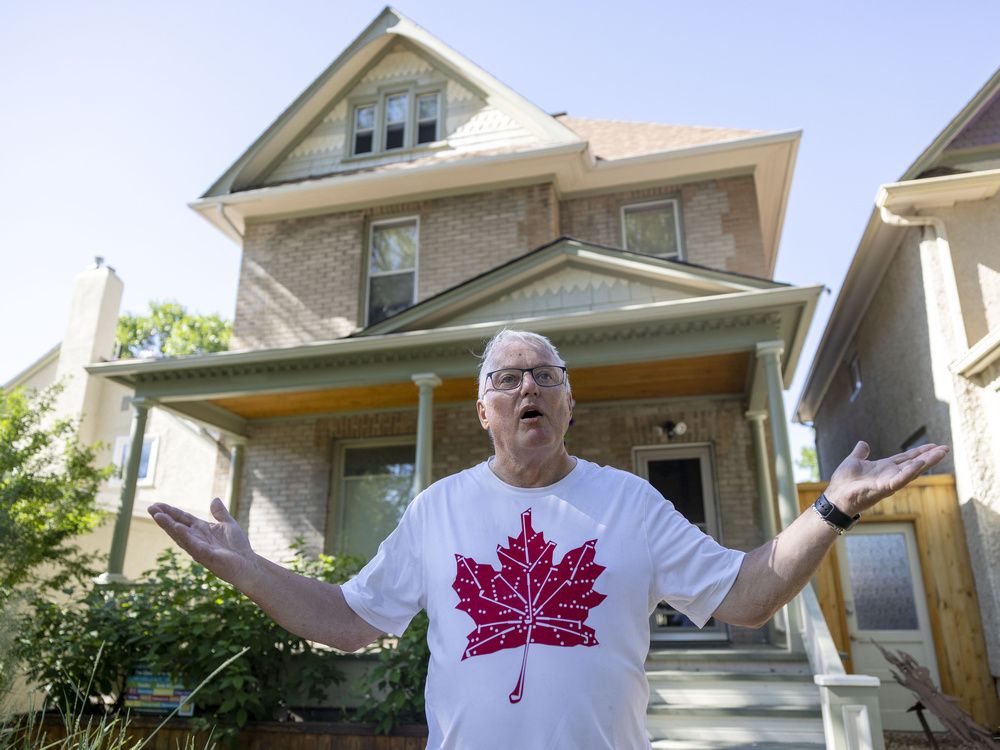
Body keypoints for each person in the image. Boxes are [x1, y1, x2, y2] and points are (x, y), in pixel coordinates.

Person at [149, 329, 948, 749]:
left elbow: (745, 594)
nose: (528, 384)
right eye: (508, 378)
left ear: (569, 405)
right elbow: (350, 620)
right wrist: (249, 571)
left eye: (547, 375)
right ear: (483, 413)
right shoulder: (437, 510)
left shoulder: (629, 502)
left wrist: (832, 510)